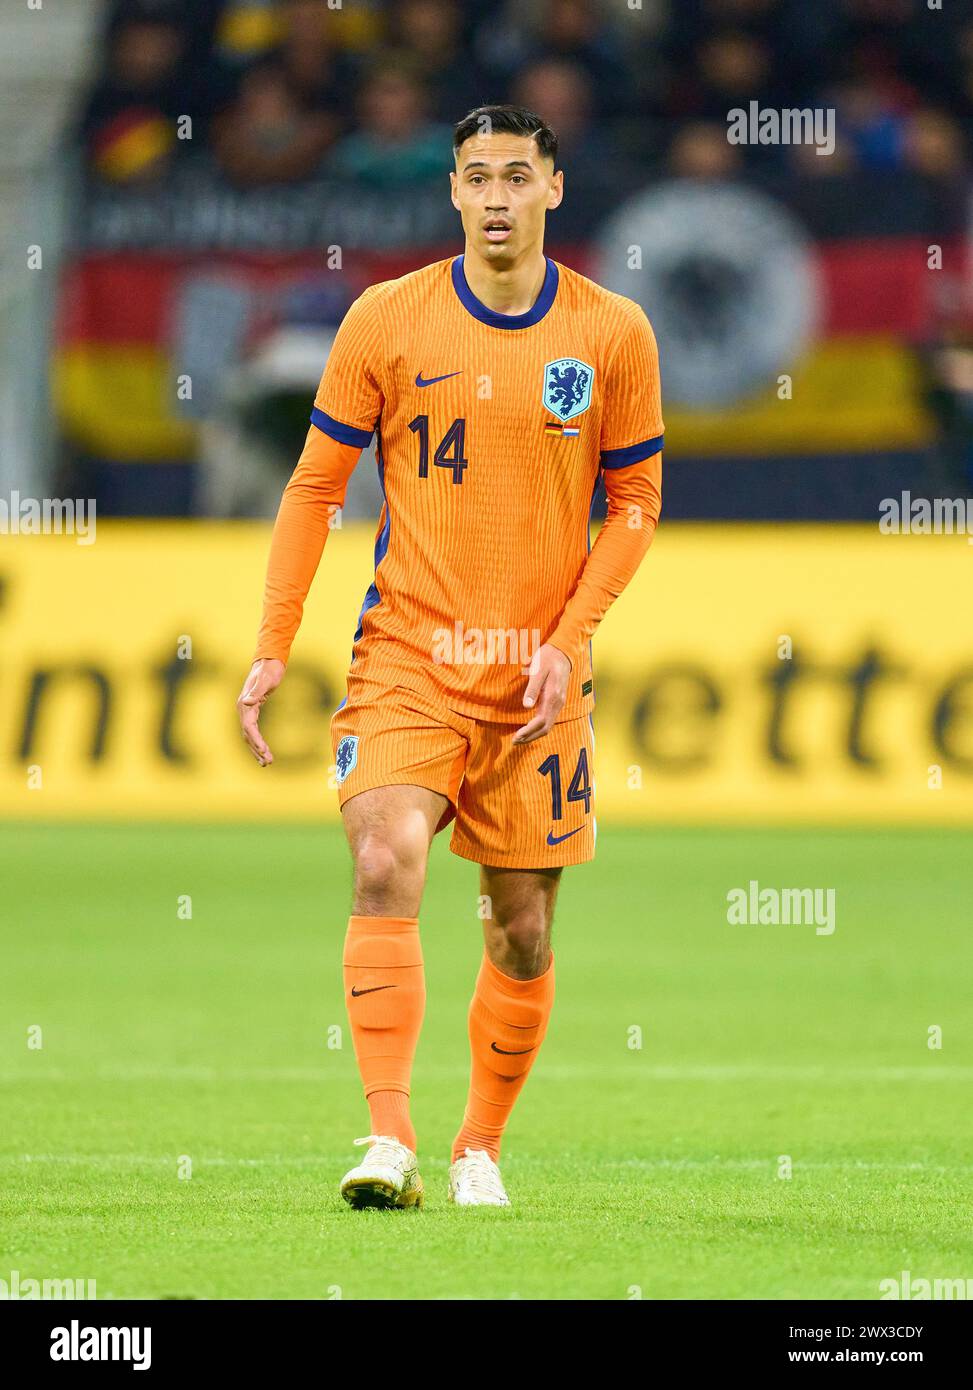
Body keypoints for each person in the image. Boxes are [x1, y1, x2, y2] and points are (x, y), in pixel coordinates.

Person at [237, 104, 664, 1209]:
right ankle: (389, 1140)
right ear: (453, 194)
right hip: (409, 657)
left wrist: (569, 644)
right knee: (383, 857)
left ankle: (480, 1144)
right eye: (476, 177)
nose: (495, 198)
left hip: (535, 674)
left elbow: (635, 503)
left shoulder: (612, 331)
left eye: (516, 177)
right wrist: (273, 642)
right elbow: (314, 486)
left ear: (553, 190)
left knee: (518, 928)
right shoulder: (386, 319)